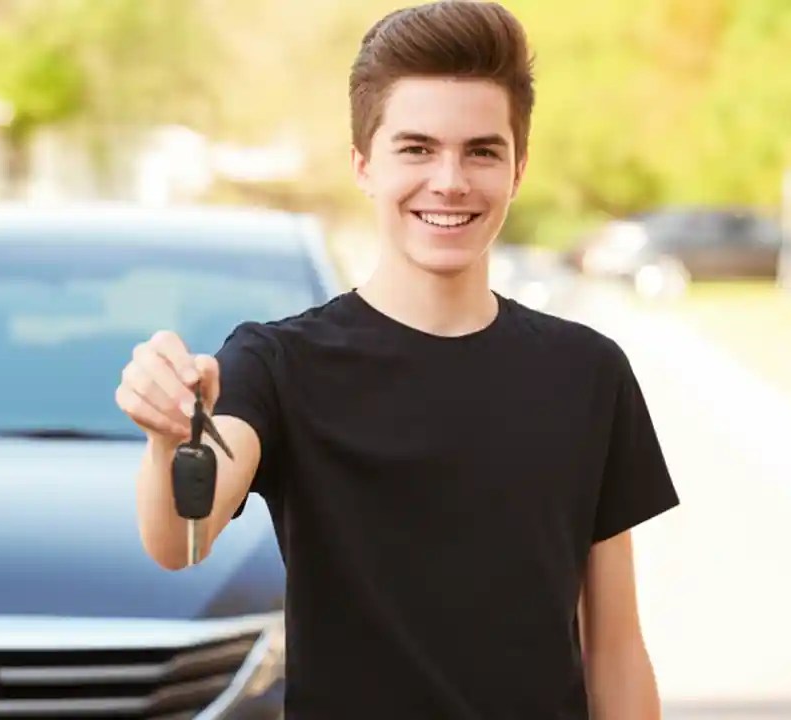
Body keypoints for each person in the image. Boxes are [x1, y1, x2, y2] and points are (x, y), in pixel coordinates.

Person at [114, 1, 680, 717]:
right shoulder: (278, 363)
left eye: (482, 150)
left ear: (519, 166)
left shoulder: (588, 373)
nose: (449, 180)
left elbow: (616, 647)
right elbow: (180, 541)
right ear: (364, 164)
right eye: (416, 149)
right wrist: (167, 436)